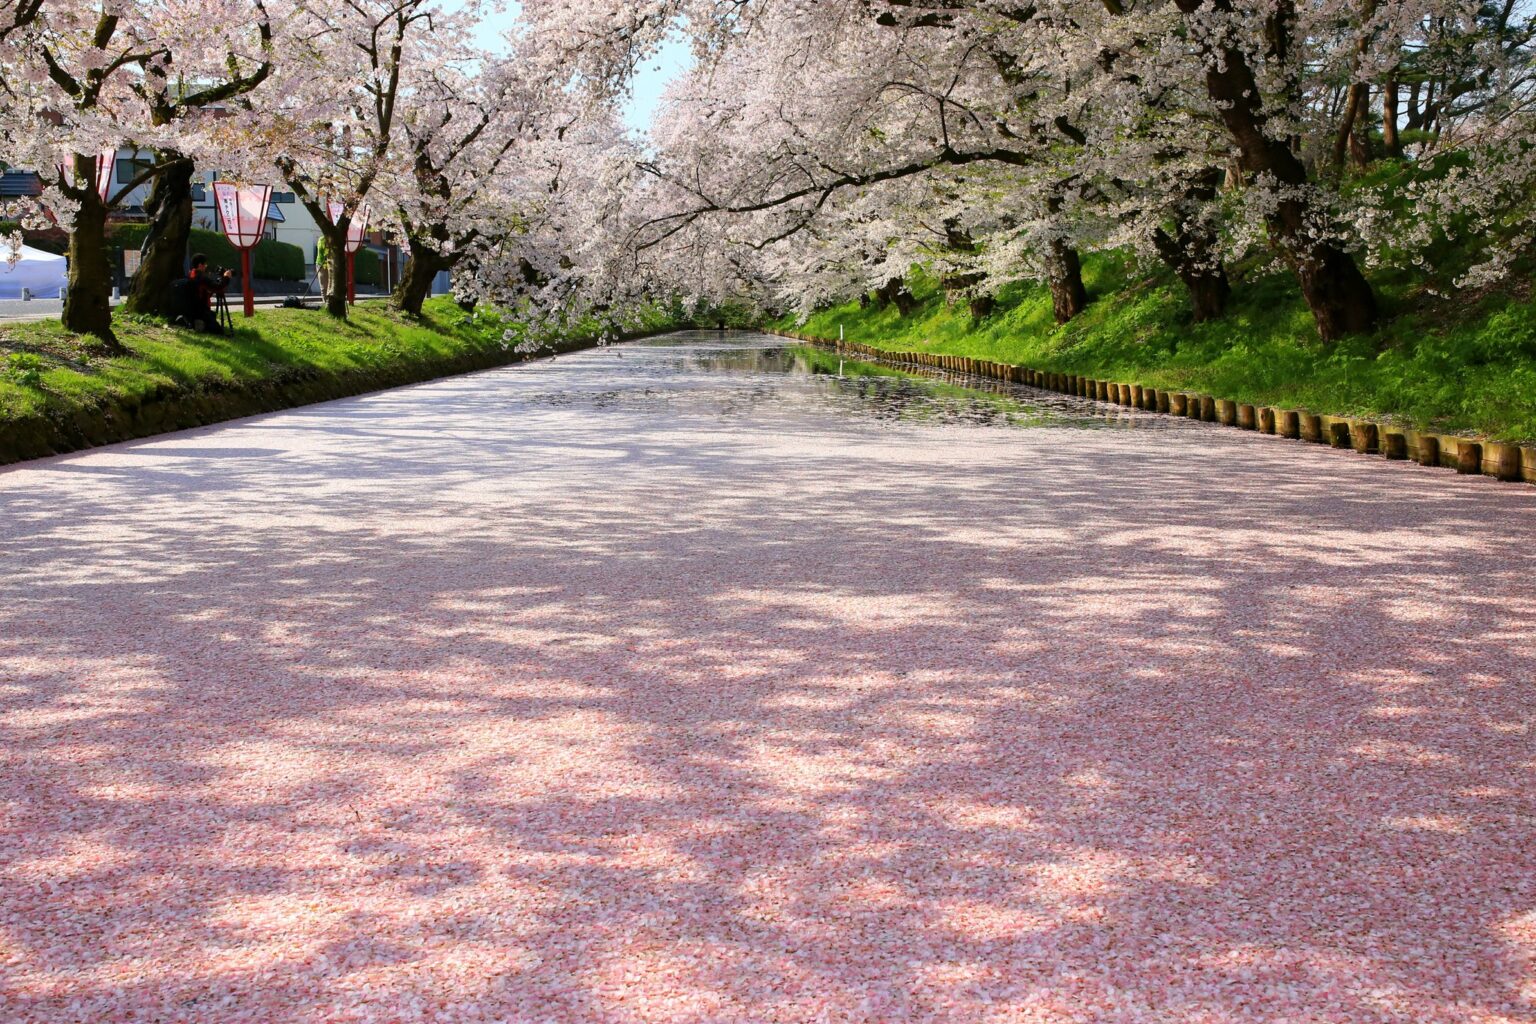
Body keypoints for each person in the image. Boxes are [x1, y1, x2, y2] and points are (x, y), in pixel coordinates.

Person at [182, 253, 232, 334]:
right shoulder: (201, 277)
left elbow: (201, 291)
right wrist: (226, 277)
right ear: (200, 265)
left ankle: (197, 323)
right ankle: (200, 324)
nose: (206, 266)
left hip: (191, 311)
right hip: (201, 311)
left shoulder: (190, 274)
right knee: (218, 332)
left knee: (212, 316)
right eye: (205, 264)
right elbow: (218, 287)